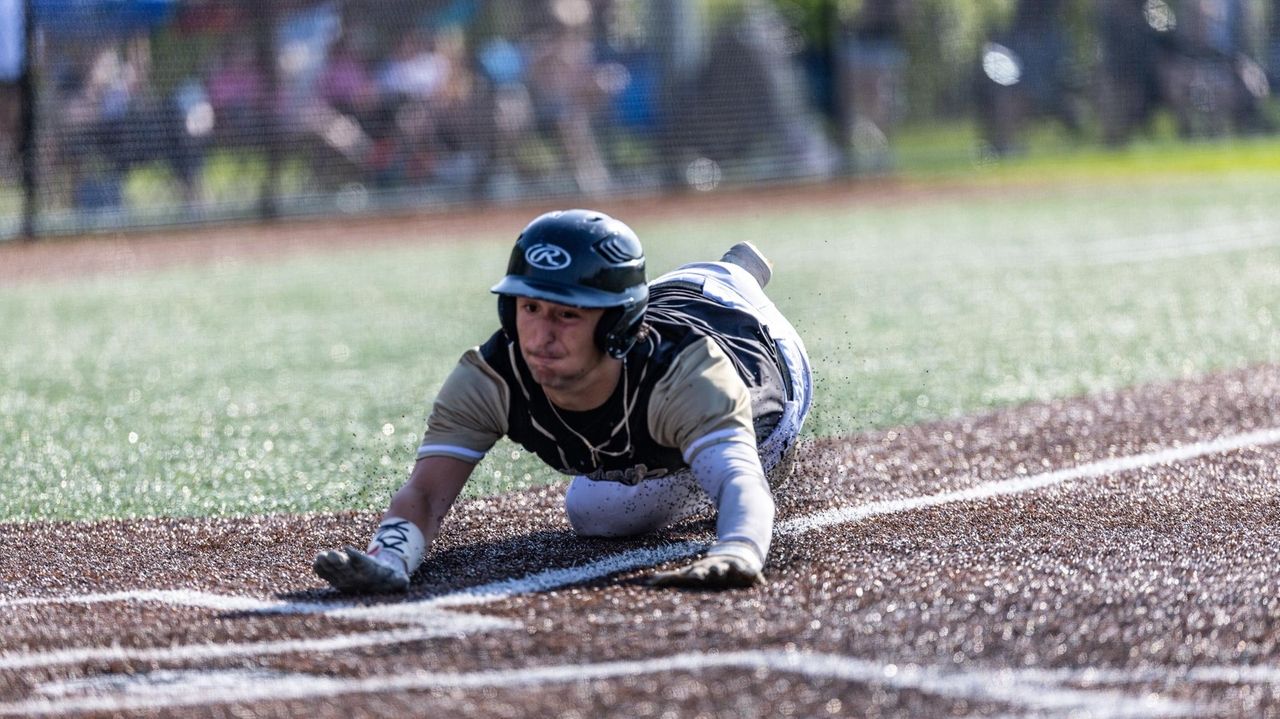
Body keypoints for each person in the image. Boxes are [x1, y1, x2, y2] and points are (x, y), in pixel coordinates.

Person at [314, 209, 813, 591]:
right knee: (593, 513)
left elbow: (738, 482)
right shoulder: (490, 377)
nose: (541, 335)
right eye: (531, 307)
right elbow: (424, 494)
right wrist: (391, 558)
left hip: (755, 348)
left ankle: (735, 274)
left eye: (567, 316)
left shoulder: (687, 376)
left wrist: (740, 550)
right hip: (652, 311)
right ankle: (706, 276)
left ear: (617, 322)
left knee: (727, 468)